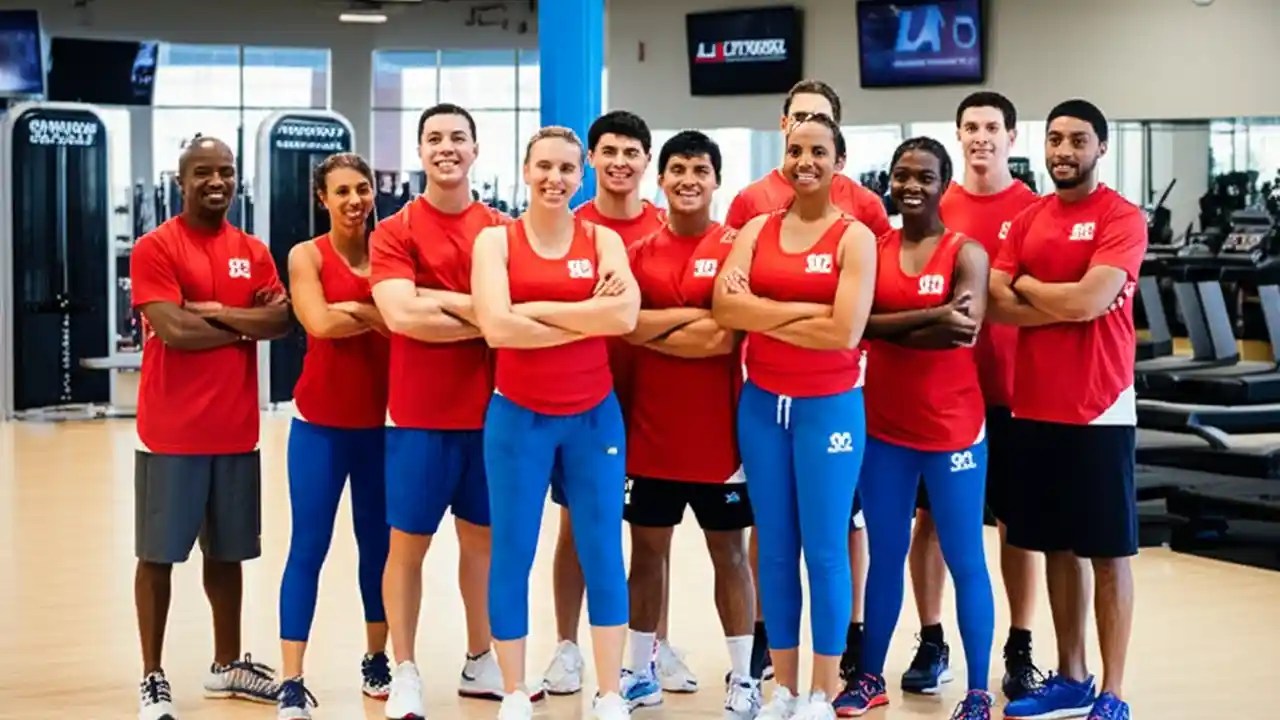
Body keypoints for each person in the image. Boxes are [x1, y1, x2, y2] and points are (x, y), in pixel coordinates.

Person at [724, 79, 890, 685]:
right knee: (773, 547)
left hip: (829, 409)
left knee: (824, 549)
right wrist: (806, 316)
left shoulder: (856, 235)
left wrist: (764, 308)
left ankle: (823, 687)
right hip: (763, 405)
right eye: (797, 150)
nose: (806, 161)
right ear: (783, 157)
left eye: (819, 151)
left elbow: (846, 331)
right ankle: (786, 688)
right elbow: (726, 310)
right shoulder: (754, 229)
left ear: (839, 162)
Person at [471, 125, 639, 720]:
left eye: (567, 169)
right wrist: (583, 312)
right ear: (525, 170)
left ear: (581, 175)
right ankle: (515, 690)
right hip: (518, 417)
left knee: (601, 549)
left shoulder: (601, 240)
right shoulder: (496, 244)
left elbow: (623, 316)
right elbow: (495, 327)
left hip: (593, 419)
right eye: (544, 166)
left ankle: (611, 691)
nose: (555, 178)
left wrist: (532, 310)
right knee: (513, 548)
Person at [991, 99, 1145, 720]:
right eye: (1055, 139)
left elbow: (1091, 300)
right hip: (1035, 405)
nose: (1063, 151)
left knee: (1108, 553)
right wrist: (1056, 297)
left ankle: (1113, 690)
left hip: (1099, 405)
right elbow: (997, 301)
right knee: (1057, 546)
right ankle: (1073, 675)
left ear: (1099, 148)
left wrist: (1034, 289)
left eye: (1077, 140)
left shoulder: (1121, 218)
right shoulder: (1029, 218)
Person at [369, 103, 523, 719]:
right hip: (418, 417)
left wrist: (444, 302)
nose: (446, 148)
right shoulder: (395, 230)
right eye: (434, 138)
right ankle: (404, 669)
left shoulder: (504, 231)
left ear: (476, 148)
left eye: (458, 137)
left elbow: (511, 322)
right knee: (407, 546)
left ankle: (480, 659)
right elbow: (402, 316)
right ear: (420, 151)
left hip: (493, 415)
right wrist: (484, 312)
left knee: (482, 545)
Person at [833, 137, 995, 720]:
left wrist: (884, 326)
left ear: (942, 183)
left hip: (953, 430)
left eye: (925, 176)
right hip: (886, 431)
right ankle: (869, 676)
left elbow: (963, 330)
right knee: (885, 554)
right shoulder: (873, 248)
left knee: (964, 556)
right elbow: (854, 324)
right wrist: (927, 315)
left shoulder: (966, 252)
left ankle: (978, 690)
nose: (911, 185)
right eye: (902, 175)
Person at [129, 135, 290, 720]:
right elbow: (173, 330)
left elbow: (281, 318)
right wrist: (244, 324)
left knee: (228, 555)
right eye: (202, 173)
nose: (215, 182)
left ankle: (226, 666)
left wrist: (216, 313)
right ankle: (152, 674)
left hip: (235, 430)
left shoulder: (252, 248)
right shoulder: (156, 248)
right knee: (159, 555)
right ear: (181, 181)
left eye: (225, 171)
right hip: (172, 431)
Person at [903, 91, 1044, 701]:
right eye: (971, 127)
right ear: (958, 136)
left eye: (992, 127)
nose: (981, 136)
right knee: (930, 524)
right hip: (941, 398)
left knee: (1018, 526)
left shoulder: (1034, 210)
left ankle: (1019, 645)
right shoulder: (937, 204)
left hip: (1014, 394)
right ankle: (933, 639)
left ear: (1012, 137)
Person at [615, 130, 759, 716]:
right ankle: (637, 669)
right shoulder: (637, 254)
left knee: (730, 555)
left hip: (719, 438)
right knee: (646, 555)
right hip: (650, 434)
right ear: (662, 178)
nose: (688, 180)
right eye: (677, 169)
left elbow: (724, 335)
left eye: (700, 170)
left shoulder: (736, 248)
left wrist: (657, 324)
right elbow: (624, 324)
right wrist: (690, 320)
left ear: (716, 180)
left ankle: (745, 677)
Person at [543, 110, 684, 697]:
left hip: (653, 401)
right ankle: (567, 647)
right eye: (609, 152)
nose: (620, 162)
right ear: (592, 162)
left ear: (646, 162)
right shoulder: (570, 227)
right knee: (578, 526)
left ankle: (651, 647)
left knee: (655, 536)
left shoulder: (666, 227)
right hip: (582, 401)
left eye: (632, 152)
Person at [276, 153, 392, 719]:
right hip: (318, 427)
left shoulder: (392, 251)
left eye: (362, 189)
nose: (354, 200)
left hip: (382, 430)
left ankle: (376, 658)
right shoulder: (306, 256)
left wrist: (354, 307)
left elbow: (403, 319)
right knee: (309, 548)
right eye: (341, 191)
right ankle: (291, 679)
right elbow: (317, 323)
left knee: (379, 549)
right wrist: (376, 311)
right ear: (323, 199)